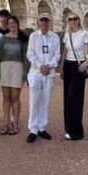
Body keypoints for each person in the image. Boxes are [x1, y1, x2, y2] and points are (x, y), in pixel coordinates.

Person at [25, 13, 60, 143]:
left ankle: (42, 127)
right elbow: (30, 54)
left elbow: (57, 54)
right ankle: (33, 129)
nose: (44, 23)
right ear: (38, 22)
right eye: (42, 20)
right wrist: (40, 66)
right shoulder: (34, 36)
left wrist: (49, 66)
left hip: (49, 73)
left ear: (49, 22)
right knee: (34, 101)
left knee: (45, 101)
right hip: (36, 73)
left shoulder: (54, 37)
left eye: (46, 21)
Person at [0, 14, 28, 135]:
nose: (12, 25)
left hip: (17, 67)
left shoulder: (22, 38)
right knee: (6, 97)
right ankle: (6, 123)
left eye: (14, 23)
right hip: (4, 67)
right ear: (7, 25)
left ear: (17, 24)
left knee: (15, 97)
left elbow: (25, 57)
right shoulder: (3, 38)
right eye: (9, 23)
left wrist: (25, 73)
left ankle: (16, 123)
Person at [61, 13, 88, 140]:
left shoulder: (84, 33)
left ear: (79, 21)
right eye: (70, 19)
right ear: (68, 21)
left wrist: (86, 63)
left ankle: (77, 131)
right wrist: (61, 68)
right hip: (68, 66)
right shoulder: (67, 34)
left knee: (76, 99)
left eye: (75, 19)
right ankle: (68, 128)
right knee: (67, 98)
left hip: (78, 67)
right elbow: (65, 51)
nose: (73, 21)